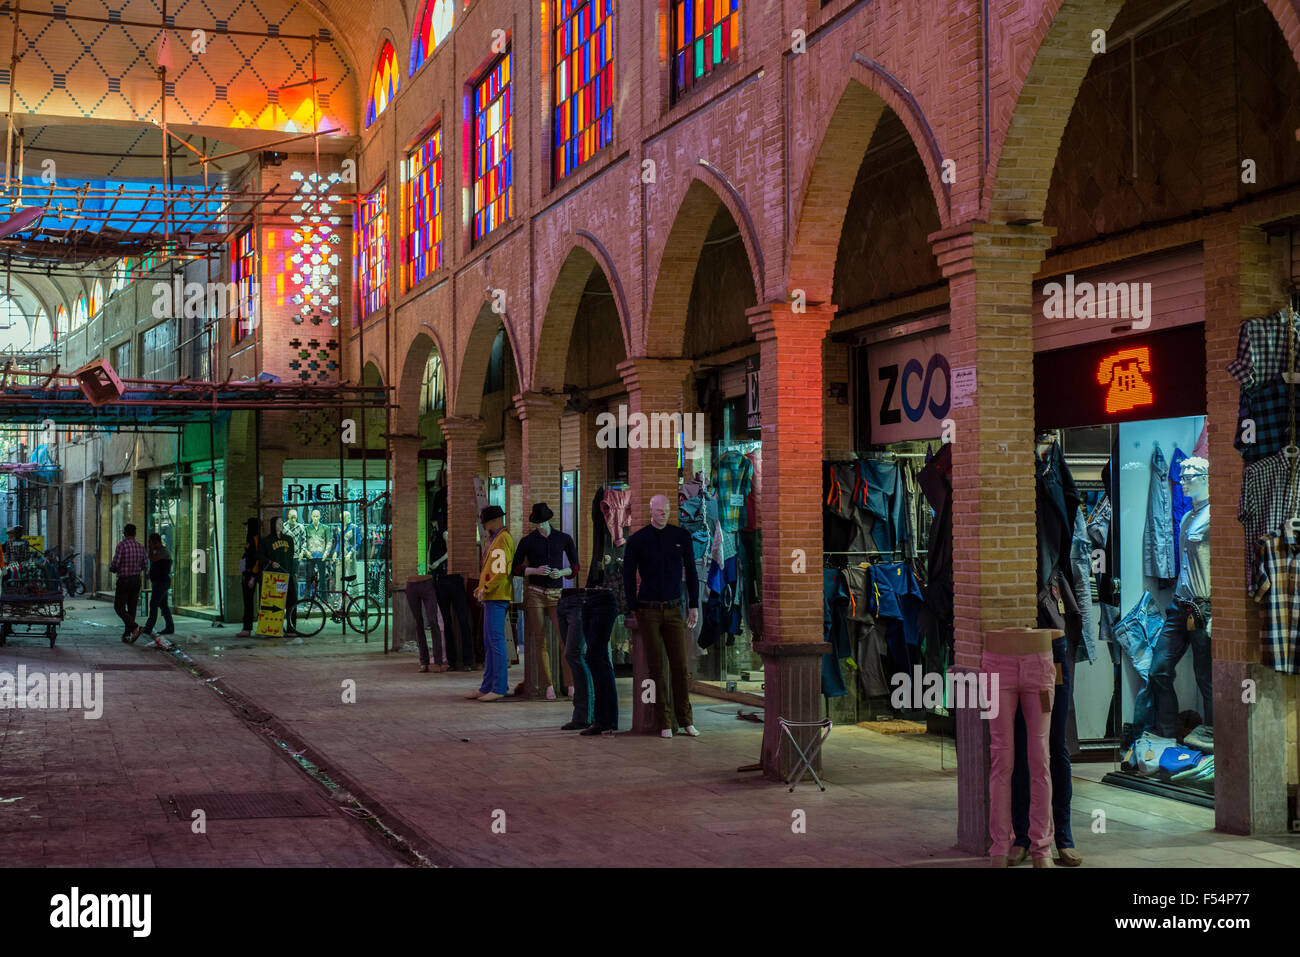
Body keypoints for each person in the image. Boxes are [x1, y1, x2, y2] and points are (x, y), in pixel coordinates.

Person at [622, 494, 700, 738]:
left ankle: (685, 719)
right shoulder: (638, 540)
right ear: (650, 511)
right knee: (656, 667)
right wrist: (633, 605)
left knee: (680, 664)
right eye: (658, 511)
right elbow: (627, 574)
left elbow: (693, 572)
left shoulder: (681, 537)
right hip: (649, 609)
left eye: (666, 510)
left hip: (674, 607)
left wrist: (694, 605)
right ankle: (664, 721)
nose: (663, 514)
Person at [512, 502, 580, 703]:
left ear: (548, 520)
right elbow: (515, 568)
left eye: (542, 522)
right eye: (537, 523)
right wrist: (534, 570)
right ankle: (547, 685)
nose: (539, 526)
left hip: (557, 592)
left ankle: (571, 684)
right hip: (535, 592)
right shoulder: (528, 541)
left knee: (564, 639)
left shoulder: (563, 539)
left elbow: (575, 567)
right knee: (540, 640)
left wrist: (562, 572)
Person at [466, 506, 514, 703]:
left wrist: (486, 587)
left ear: (494, 521)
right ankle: (487, 685)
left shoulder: (502, 539)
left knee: (495, 642)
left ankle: (499, 686)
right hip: (492, 595)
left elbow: (501, 570)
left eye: (485, 523)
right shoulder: (496, 539)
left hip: (497, 595)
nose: (484, 527)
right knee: (489, 642)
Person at [111, 523, 147, 643]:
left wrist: (113, 568)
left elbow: (115, 564)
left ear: (124, 533)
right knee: (132, 608)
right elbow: (145, 565)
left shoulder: (122, 546)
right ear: (135, 533)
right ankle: (128, 634)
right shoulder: (140, 547)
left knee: (119, 607)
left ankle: (134, 626)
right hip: (136, 580)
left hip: (124, 580)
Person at [142, 532, 175, 640]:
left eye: (150, 542)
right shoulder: (159, 551)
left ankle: (148, 627)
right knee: (163, 605)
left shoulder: (163, 551)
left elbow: (152, 559)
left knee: (153, 604)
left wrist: (151, 549)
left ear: (155, 542)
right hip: (159, 581)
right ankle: (170, 627)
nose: (149, 544)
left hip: (162, 582)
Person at [237, 518, 261, 637]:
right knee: (247, 601)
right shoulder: (250, 538)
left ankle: (247, 628)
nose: (245, 528)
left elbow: (256, 559)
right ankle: (246, 627)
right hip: (247, 573)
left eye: (247, 526)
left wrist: (253, 576)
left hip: (251, 574)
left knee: (248, 601)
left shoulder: (255, 539)